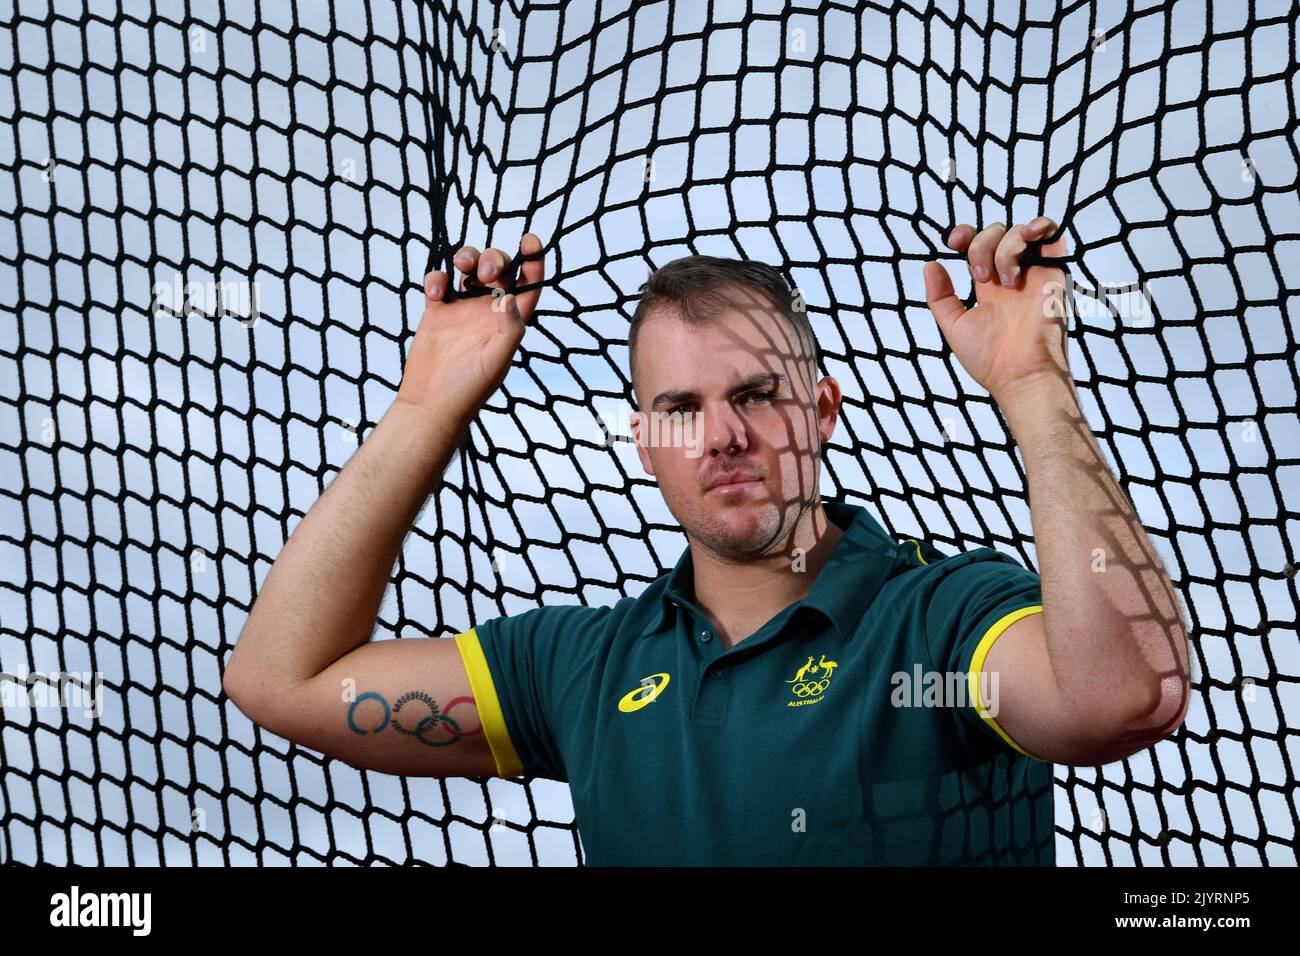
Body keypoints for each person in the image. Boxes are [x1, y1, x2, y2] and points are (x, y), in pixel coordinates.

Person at [223, 222, 1190, 865]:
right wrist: (425, 404)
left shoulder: (939, 620)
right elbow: (285, 679)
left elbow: (1123, 698)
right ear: (648, 444)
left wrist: (1032, 387)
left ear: (819, 414)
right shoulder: (584, 667)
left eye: (756, 396)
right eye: (680, 408)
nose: (722, 435)